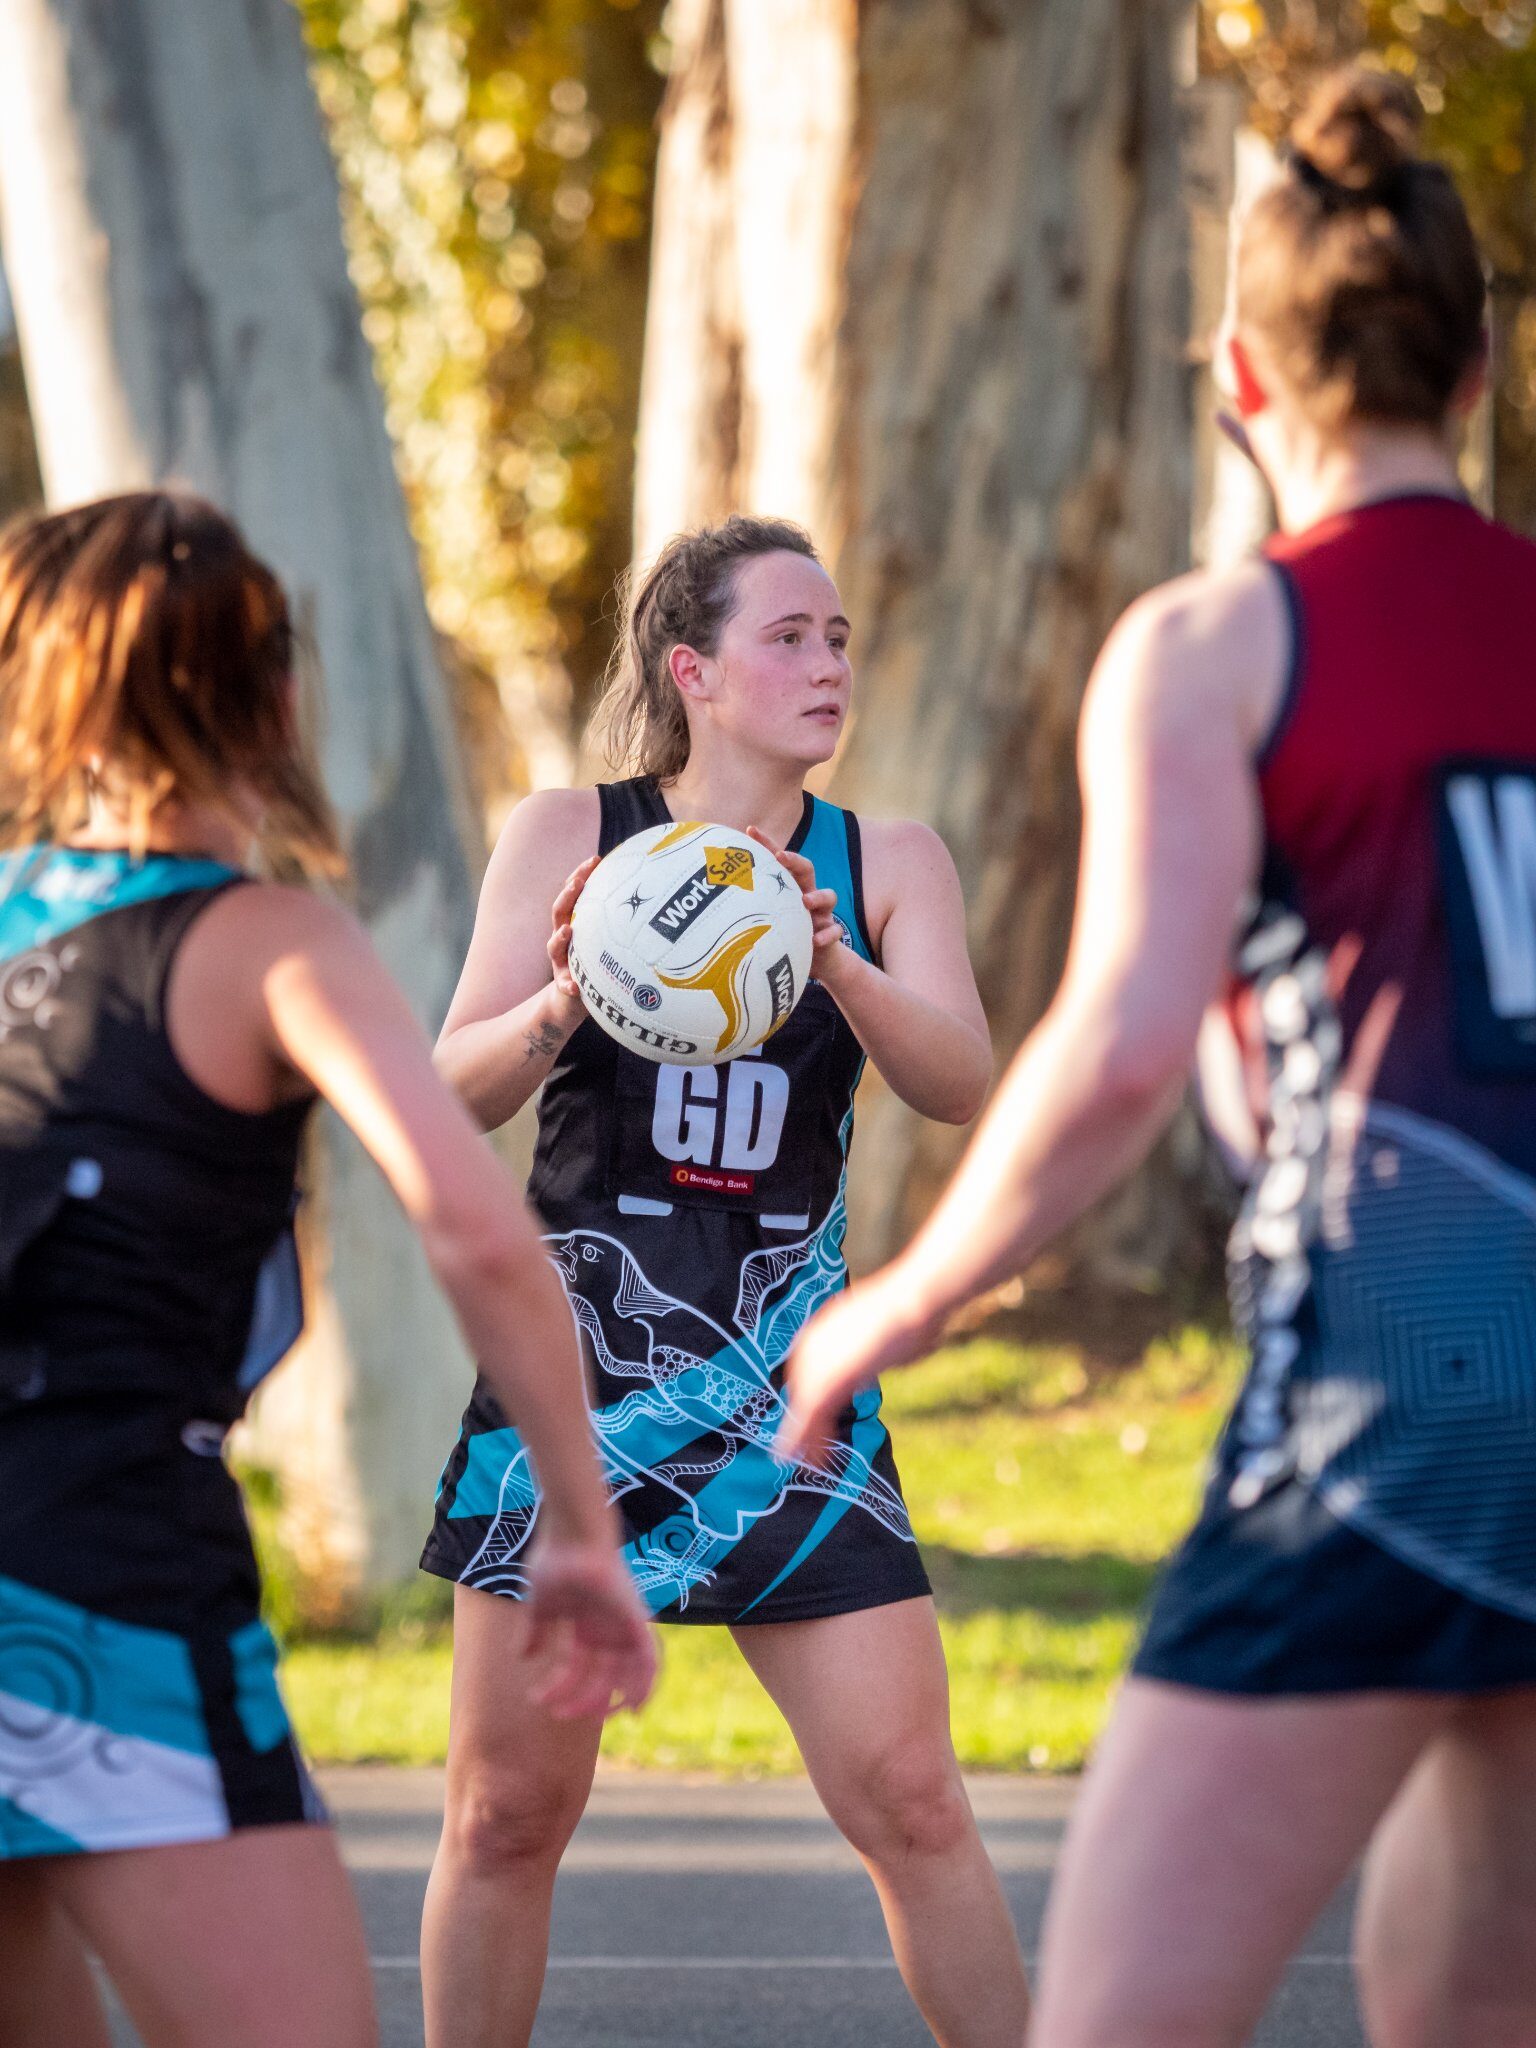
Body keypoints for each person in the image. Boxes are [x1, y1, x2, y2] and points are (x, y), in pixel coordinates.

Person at [781, 67, 1536, 2048]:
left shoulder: (1222, 647)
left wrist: (892, 1309)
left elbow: (1122, 1053)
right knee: (1467, 2000)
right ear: (1477, 368)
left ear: (1239, 380)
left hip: (1399, 1387)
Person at [0, 491, 655, 2048]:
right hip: (101, 1570)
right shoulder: (273, 942)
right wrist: (580, 1525)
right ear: (273, 693)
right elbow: (476, 1228)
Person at [418, 514, 1030, 2048]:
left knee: (912, 1798)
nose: (830, 665)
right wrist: (568, 993)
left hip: (787, 1390)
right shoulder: (572, 835)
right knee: (505, 1815)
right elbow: (450, 1090)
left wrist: (840, 962)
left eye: (840, 639)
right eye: (790, 637)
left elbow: (962, 1081)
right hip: (576, 1380)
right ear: (693, 673)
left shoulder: (886, 860)